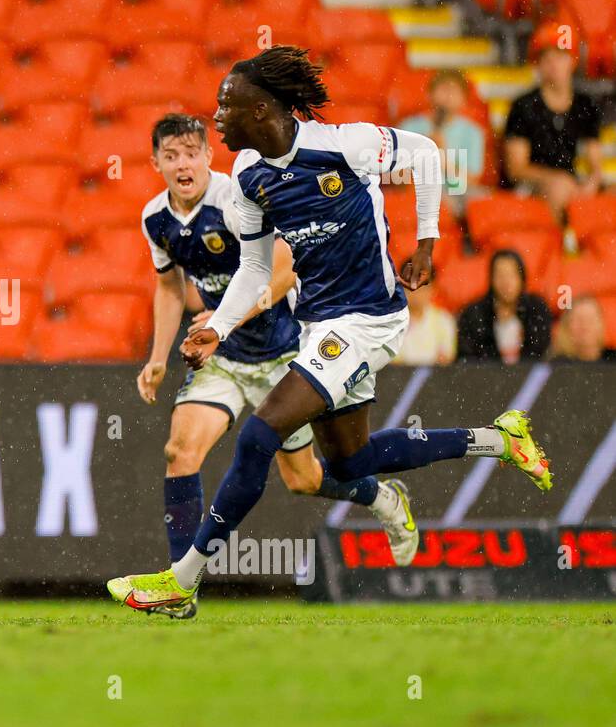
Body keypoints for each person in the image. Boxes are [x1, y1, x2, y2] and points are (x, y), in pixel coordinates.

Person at [108, 46, 553, 621]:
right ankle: (501, 439)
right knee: (347, 464)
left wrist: (425, 242)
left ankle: (182, 581)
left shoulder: (343, 146)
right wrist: (217, 326)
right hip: (319, 323)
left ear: (263, 111)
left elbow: (422, 153)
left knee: (257, 438)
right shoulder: (248, 178)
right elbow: (255, 269)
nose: (217, 117)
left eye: (227, 106)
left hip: (368, 318)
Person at [131, 113, 412, 576]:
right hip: (222, 359)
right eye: (171, 155)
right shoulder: (155, 218)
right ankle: (180, 583)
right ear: (155, 162)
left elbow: (284, 270)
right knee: (180, 451)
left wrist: (226, 319)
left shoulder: (234, 199)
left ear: (208, 156)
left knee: (303, 479)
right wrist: (158, 358)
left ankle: (381, 496)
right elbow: (169, 288)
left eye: (191, 153)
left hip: (283, 352)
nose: (183, 165)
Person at [503, 45, 604, 221]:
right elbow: (516, 169)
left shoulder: (585, 104)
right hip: (530, 185)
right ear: (538, 65)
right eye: (547, 59)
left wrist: (592, 181)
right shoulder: (524, 106)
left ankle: (594, 245)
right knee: (558, 188)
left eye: (559, 57)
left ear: (572, 62)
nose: (553, 65)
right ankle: (556, 244)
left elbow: (594, 159)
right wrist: (557, 178)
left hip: (569, 180)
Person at [398, 69, 487, 212]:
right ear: (429, 94)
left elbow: (471, 181)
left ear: (464, 100)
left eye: (454, 91)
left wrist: (442, 159)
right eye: (444, 88)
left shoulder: (473, 132)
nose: (448, 95)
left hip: (457, 196)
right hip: (418, 194)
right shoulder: (409, 127)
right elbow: (398, 178)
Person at [456, 249, 552, 363]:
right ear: (491, 278)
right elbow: (469, 360)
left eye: (512, 275)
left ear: (522, 278)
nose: (506, 282)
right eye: (500, 275)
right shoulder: (474, 315)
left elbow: (540, 354)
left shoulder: (537, 310)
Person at [393, 281, 457, 365]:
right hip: (399, 375)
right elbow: (391, 360)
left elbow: (447, 358)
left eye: (421, 289)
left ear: (431, 290)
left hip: (435, 375)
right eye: (410, 289)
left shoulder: (444, 320)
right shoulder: (391, 321)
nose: (416, 294)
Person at [553, 294, 615, 361]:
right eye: (578, 319)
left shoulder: (612, 359)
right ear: (566, 325)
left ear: (601, 324)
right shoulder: (554, 365)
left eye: (590, 319)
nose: (585, 325)